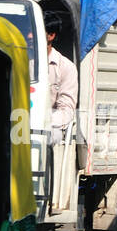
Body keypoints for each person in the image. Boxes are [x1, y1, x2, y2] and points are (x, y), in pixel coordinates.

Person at [45, 14, 78, 145]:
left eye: (34, 32)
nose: (29, 36)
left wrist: (43, 120)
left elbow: (66, 109)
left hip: (48, 125)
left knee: (49, 136)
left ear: (51, 36)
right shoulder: (21, 60)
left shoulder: (66, 67)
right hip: (18, 119)